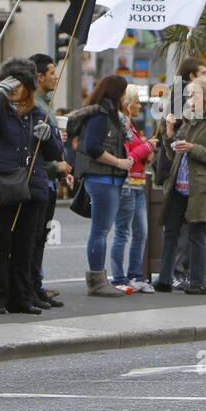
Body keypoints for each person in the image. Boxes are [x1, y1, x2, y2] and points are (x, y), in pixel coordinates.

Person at [0, 59, 62, 314]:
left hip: (32, 185)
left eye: (19, 84)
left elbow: (56, 152)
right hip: (1, 184)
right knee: (1, 240)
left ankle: (20, 299)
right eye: (10, 83)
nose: (15, 89)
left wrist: (49, 136)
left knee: (25, 244)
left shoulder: (38, 113)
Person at [154, 75, 206, 294]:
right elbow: (173, 155)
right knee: (171, 232)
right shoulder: (189, 121)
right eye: (189, 96)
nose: (190, 100)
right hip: (178, 185)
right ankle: (165, 279)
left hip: (200, 187)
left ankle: (198, 282)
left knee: (197, 233)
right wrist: (169, 135)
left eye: (193, 95)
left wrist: (192, 148)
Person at [69, 74, 133, 297]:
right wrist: (119, 162)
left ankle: (98, 280)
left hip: (106, 178)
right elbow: (93, 147)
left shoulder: (108, 114)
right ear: (116, 93)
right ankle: (97, 281)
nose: (125, 96)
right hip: (102, 179)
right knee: (100, 231)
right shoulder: (101, 115)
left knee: (101, 230)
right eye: (124, 91)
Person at [29, 54, 71, 308]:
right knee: (33, 238)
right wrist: (56, 166)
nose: (56, 76)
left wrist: (62, 169)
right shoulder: (34, 105)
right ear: (40, 76)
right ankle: (30, 288)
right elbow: (33, 149)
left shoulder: (46, 103)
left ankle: (36, 286)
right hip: (38, 179)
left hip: (49, 180)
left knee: (40, 237)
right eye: (52, 72)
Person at [110, 89, 156, 293]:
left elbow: (136, 156)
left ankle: (135, 275)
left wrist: (147, 153)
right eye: (136, 102)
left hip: (137, 184)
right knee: (123, 232)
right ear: (127, 104)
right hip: (126, 185)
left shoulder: (130, 125)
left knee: (141, 232)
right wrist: (147, 147)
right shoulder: (121, 124)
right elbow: (128, 155)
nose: (140, 106)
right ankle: (119, 277)